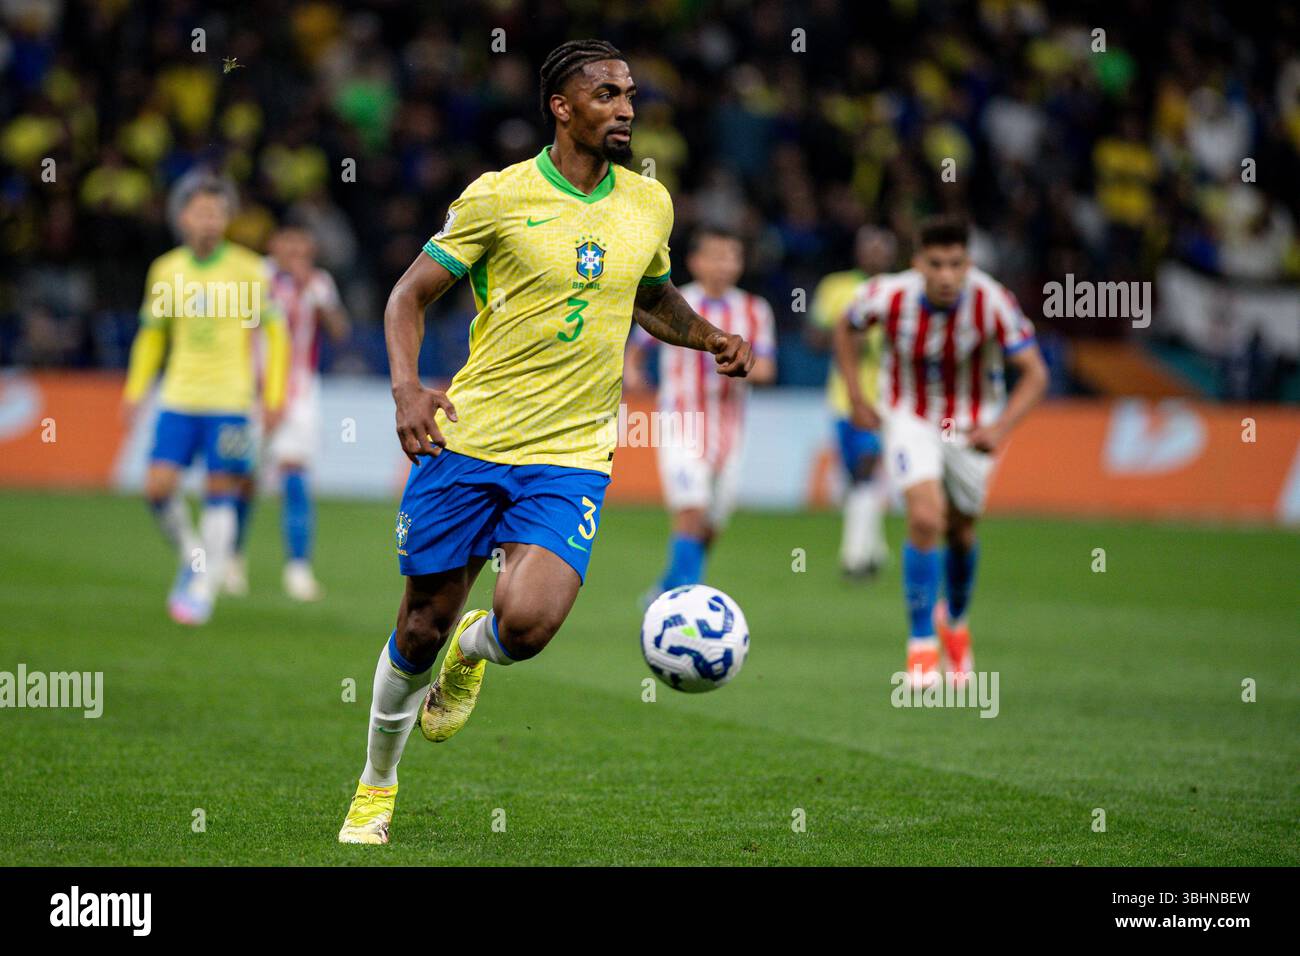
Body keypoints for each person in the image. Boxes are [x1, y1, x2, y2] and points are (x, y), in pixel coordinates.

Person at [338, 39, 755, 845]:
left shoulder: (649, 204)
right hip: (469, 441)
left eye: (630, 94)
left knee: (526, 626)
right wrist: (406, 389)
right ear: (561, 108)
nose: (626, 108)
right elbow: (406, 297)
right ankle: (375, 785)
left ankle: (477, 649)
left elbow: (653, 297)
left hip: (571, 453)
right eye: (606, 95)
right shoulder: (499, 197)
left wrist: (708, 337)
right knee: (419, 624)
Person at [833, 215, 1048, 688]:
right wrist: (856, 394)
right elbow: (846, 327)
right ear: (918, 264)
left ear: (968, 263)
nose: (947, 275)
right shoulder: (888, 294)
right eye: (937, 264)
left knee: (962, 533)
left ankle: (957, 618)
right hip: (910, 417)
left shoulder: (992, 301)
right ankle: (921, 645)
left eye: (956, 264)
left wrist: (1001, 426)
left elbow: (1035, 373)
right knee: (926, 518)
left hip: (973, 427)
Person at [121, 170, 288, 625]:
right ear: (182, 216)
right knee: (157, 487)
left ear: (228, 217)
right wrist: (135, 390)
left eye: (217, 212)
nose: (208, 220)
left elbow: (277, 334)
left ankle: (201, 586)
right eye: (200, 211)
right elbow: (152, 337)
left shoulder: (250, 269)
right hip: (177, 397)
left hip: (231, 403)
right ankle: (194, 556)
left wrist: (273, 396)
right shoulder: (166, 270)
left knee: (221, 493)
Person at [623, 226, 776, 595]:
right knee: (690, 511)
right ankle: (683, 602)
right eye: (716, 256)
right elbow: (636, 349)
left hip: (730, 429)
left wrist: (745, 367)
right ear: (695, 261)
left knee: (710, 525)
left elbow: (769, 369)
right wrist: (633, 375)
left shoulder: (755, 310)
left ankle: (667, 589)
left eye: (732, 257)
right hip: (682, 422)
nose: (724, 265)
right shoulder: (676, 304)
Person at [224, 226, 350, 601]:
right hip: (255, 390)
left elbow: (340, 332)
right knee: (245, 477)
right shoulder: (257, 276)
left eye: (302, 245)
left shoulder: (319, 283)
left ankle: (298, 570)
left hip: (301, 393)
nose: (295, 251)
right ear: (274, 245)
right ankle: (232, 561)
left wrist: (318, 296)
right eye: (288, 243)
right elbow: (239, 331)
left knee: (295, 474)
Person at [808, 225, 896, 578]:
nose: (875, 253)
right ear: (858, 251)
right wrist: (846, 336)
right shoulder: (836, 287)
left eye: (881, 246)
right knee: (861, 473)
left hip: (893, 398)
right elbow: (813, 337)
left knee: (868, 470)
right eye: (869, 246)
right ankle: (869, 551)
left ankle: (858, 555)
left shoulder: (900, 291)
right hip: (846, 397)